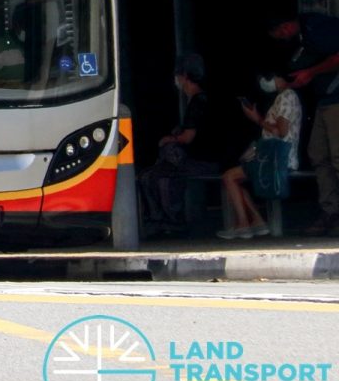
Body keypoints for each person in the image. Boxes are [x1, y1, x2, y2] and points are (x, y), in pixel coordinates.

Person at [268, 14, 339, 235]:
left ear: (287, 24)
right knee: (318, 154)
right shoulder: (304, 38)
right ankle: (332, 212)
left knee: (337, 156)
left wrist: (311, 72)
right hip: (324, 100)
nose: (281, 38)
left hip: (337, 98)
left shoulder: (319, 28)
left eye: (280, 33)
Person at [138, 53, 221, 235]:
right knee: (150, 175)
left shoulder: (198, 102)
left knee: (159, 175)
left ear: (184, 76)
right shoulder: (202, 100)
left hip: (203, 162)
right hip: (205, 159)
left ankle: (171, 220)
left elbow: (188, 138)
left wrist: (170, 139)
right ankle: (162, 219)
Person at [218, 75, 303, 239]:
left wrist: (256, 118)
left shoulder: (287, 96)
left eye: (270, 76)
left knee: (229, 177)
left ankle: (243, 224)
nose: (266, 81)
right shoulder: (284, 97)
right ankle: (257, 221)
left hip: (278, 159)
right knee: (235, 180)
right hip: (273, 157)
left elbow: (280, 131)